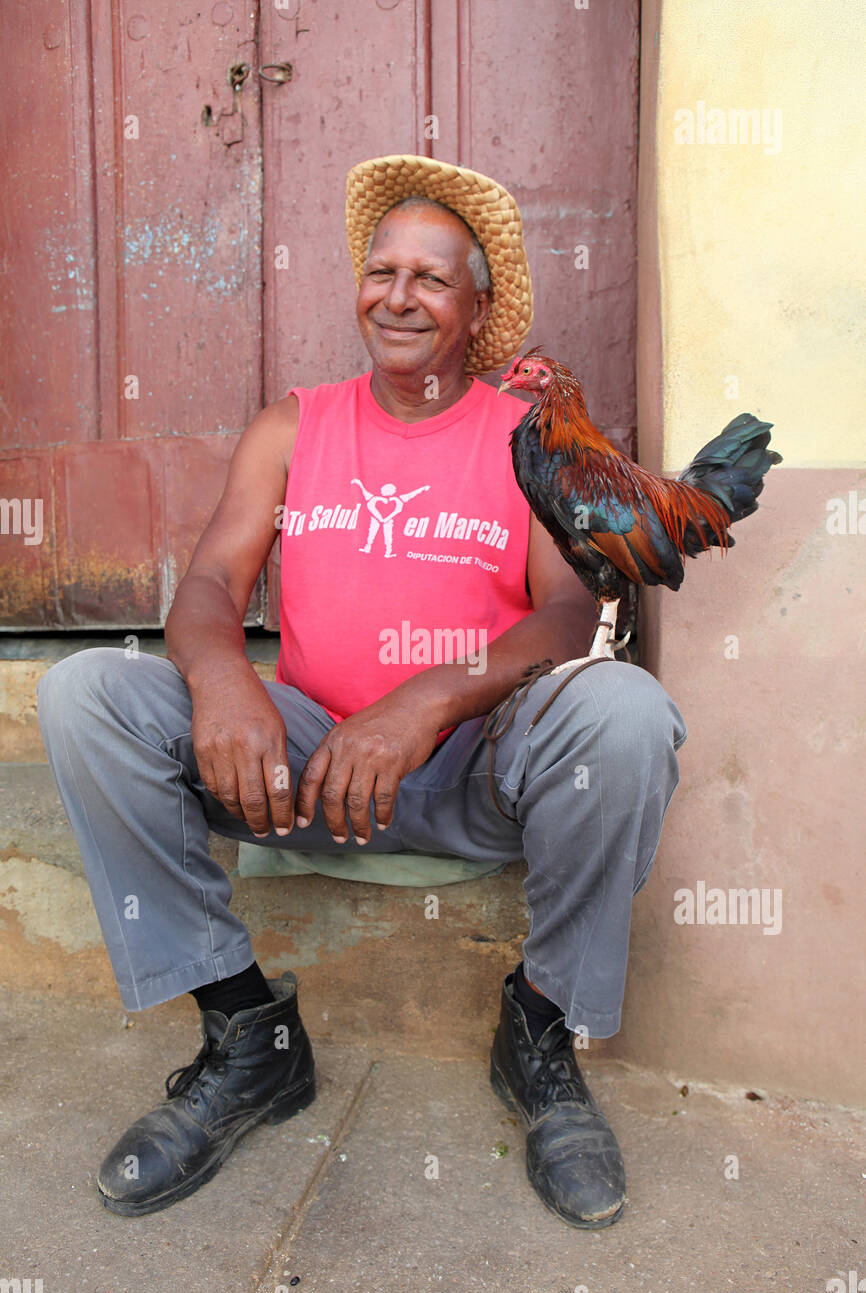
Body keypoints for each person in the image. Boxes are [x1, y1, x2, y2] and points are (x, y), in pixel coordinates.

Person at [37, 154, 686, 1228]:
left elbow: (565, 618)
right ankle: (249, 1034)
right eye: (381, 270)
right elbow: (206, 584)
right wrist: (221, 682)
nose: (398, 294)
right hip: (298, 767)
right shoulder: (294, 425)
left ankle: (538, 1025)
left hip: (473, 768)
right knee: (85, 696)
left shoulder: (525, 437)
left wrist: (426, 699)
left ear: (476, 309)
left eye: (430, 278)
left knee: (622, 713)